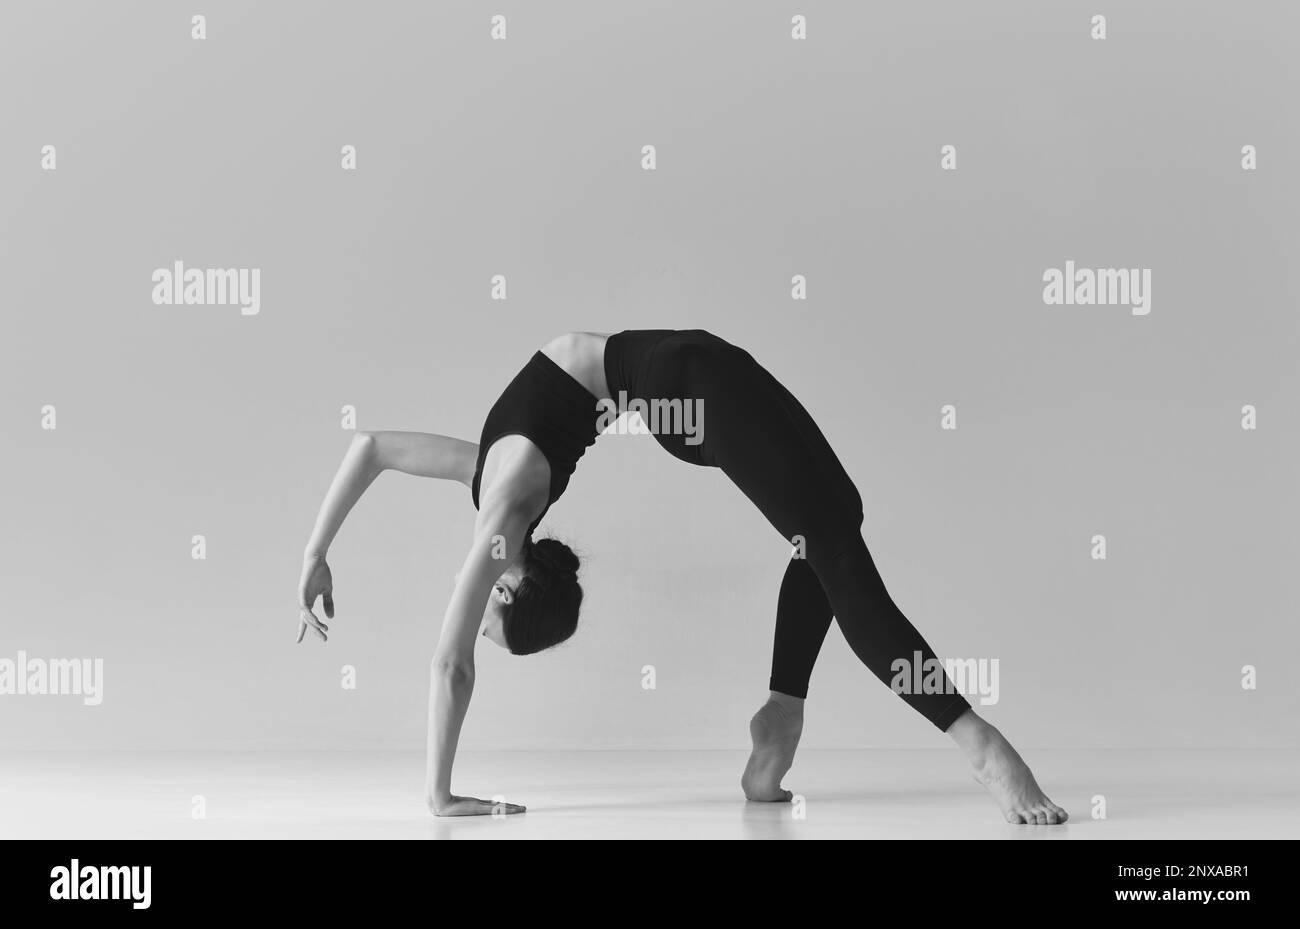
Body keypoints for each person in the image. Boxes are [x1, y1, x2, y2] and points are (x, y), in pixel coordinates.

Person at [297, 330, 1067, 824]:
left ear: (506, 586)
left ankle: (969, 744)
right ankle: (795, 715)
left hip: (686, 382)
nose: (474, 616)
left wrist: (439, 794)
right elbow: (372, 448)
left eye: (490, 625)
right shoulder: (493, 483)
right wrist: (315, 551)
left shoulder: (498, 523)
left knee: (834, 525)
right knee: (830, 534)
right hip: (688, 382)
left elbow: (448, 663)